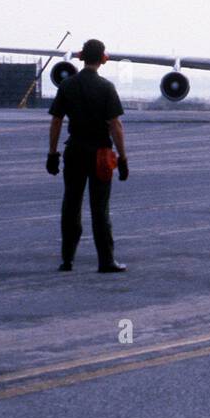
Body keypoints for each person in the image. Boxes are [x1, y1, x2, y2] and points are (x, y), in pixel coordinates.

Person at [46, 39, 129, 273]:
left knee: (71, 205)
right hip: (100, 154)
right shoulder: (106, 87)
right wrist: (122, 158)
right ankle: (106, 260)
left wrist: (52, 153)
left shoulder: (67, 85)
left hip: (74, 152)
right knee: (100, 208)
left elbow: (56, 121)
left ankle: (67, 259)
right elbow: (115, 125)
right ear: (103, 58)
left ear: (81, 56)